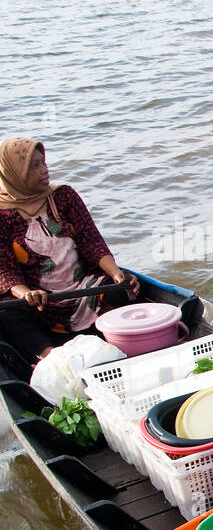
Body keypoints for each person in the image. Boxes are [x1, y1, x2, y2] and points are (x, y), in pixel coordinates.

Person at [0, 137, 139, 364]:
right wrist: (25, 293)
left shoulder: (63, 196)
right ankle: (55, 362)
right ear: (15, 173)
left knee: (124, 288)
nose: (45, 170)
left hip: (81, 289)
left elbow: (92, 241)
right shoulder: (2, 214)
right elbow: (4, 269)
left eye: (43, 162)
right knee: (6, 314)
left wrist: (116, 274)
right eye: (34, 166)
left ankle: (114, 342)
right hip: (39, 303)